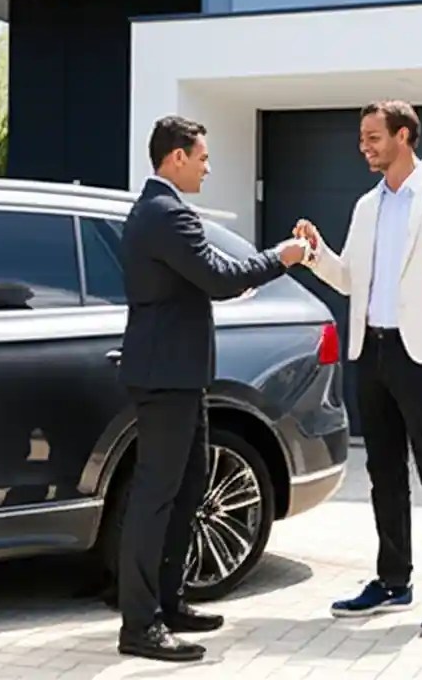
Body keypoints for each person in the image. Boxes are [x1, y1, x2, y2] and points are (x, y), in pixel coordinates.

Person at [116, 114, 308, 662]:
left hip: (182, 377)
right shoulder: (164, 214)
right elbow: (222, 277)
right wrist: (282, 257)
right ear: (176, 157)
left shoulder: (166, 212)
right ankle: (140, 625)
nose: (207, 166)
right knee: (156, 496)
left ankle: (170, 601)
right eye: (201, 157)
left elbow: (212, 271)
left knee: (187, 485)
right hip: (165, 378)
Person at [293, 100, 422, 636]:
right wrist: (314, 252)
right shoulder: (365, 206)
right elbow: (349, 278)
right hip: (371, 353)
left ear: (404, 136)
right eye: (361, 137)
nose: (364, 146)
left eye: (373, 136)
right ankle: (393, 581)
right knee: (383, 473)